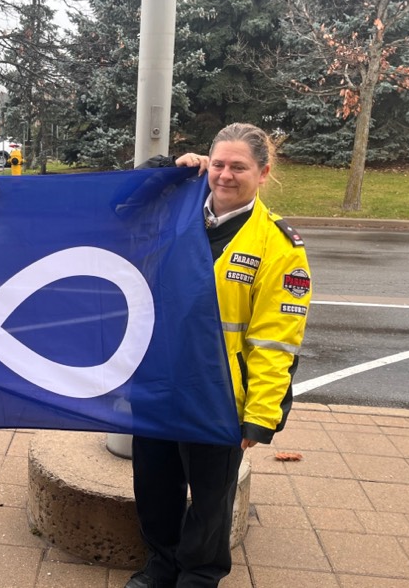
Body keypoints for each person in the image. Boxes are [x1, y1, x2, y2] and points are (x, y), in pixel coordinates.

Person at [126, 123, 312, 588]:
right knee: (154, 487)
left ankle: (200, 574)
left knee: (210, 498)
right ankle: (160, 565)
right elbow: (119, 208)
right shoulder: (174, 212)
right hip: (158, 383)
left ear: (263, 173)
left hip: (218, 394)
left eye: (240, 167)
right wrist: (163, 170)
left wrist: (261, 415)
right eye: (220, 164)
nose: (226, 176)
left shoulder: (279, 247)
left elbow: (276, 341)